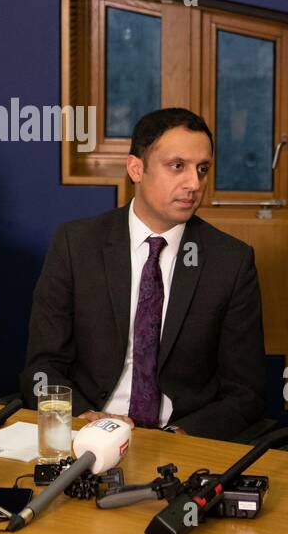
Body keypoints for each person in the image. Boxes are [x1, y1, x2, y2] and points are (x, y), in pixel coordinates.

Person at [21, 108, 266, 441]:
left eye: (203, 169)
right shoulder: (76, 245)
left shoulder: (230, 262)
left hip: (179, 443)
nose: (194, 184)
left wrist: (178, 436)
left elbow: (245, 393)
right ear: (136, 168)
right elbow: (42, 366)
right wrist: (83, 417)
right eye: (177, 166)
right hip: (89, 432)